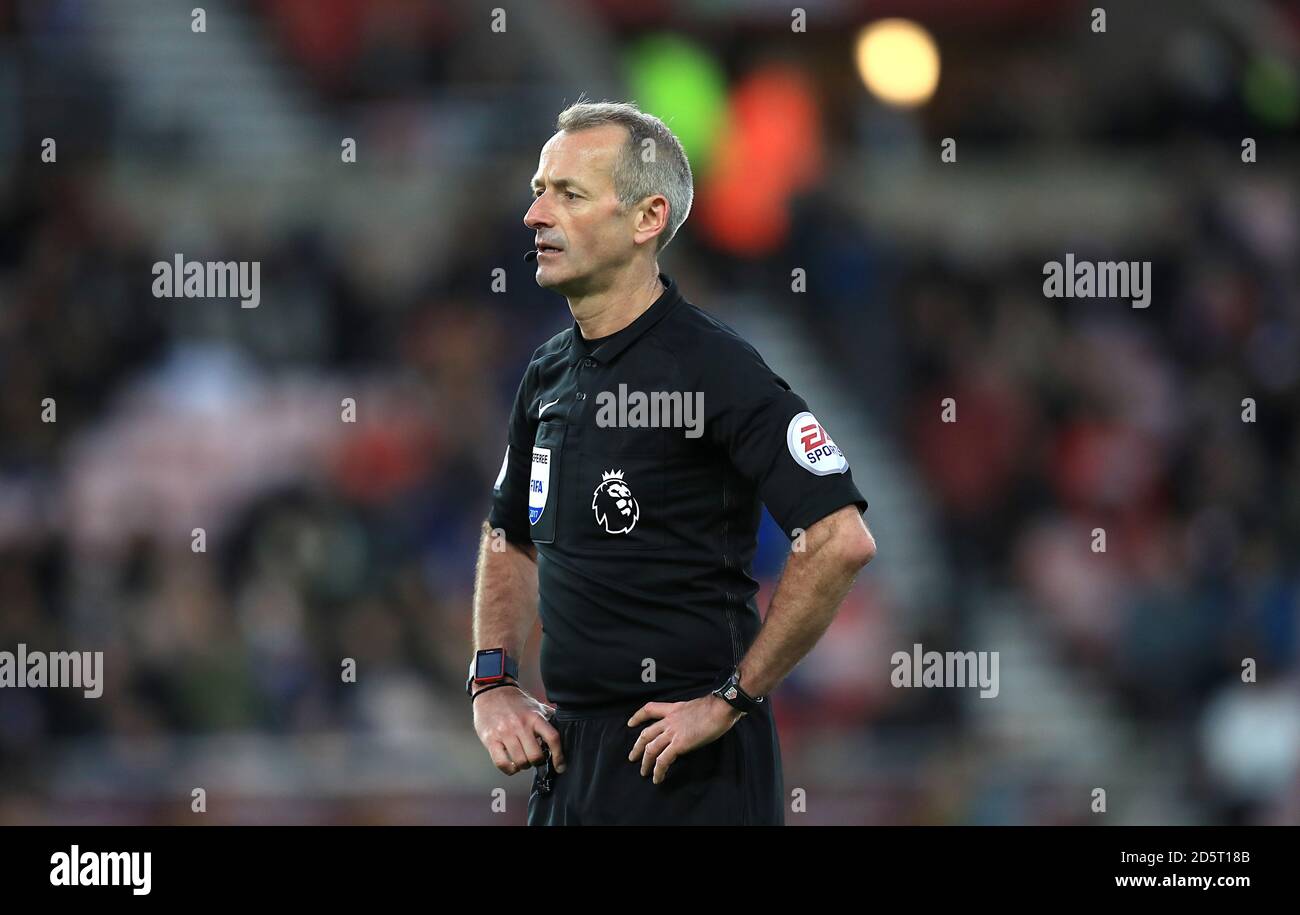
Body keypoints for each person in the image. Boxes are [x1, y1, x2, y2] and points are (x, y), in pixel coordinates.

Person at [469, 99, 877, 825]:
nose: (535, 214)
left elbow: (839, 537)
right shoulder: (547, 373)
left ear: (646, 219)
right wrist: (493, 680)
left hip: (689, 771)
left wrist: (732, 697)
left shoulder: (715, 369)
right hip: (569, 763)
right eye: (538, 189)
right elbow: (510, 535)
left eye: (569, 194)